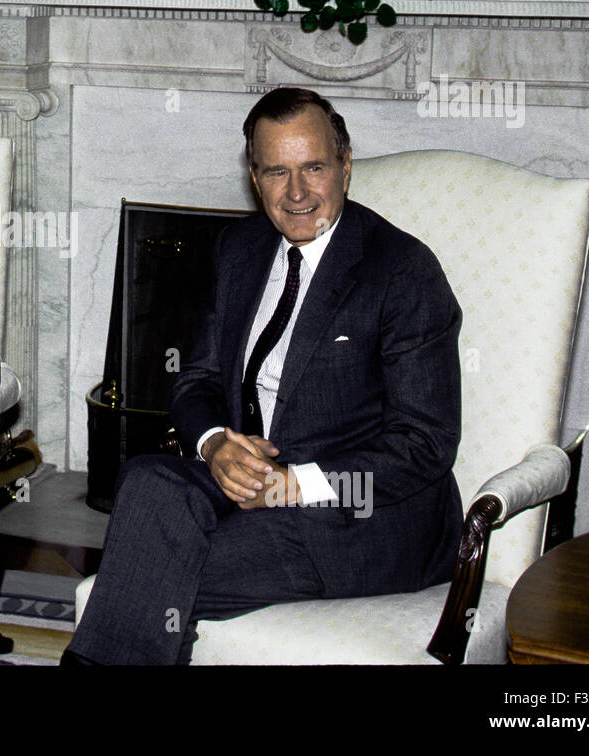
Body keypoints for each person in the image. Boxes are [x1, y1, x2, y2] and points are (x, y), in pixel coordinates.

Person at [65, 87, 463, 665]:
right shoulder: (240, 250)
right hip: (248, 479)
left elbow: (427, 446)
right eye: (277, 172)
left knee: (148, 578)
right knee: (148, 479)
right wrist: (215, 443)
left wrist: (293, 485)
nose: (297, 193)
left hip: (359, 512)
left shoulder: (402, 272)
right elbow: (195, 379)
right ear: (254, 176)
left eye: (314, 168)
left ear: (345, 166)